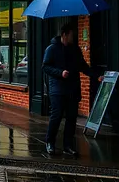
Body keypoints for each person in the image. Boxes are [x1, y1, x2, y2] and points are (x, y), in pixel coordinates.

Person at [42, 22, 103, 156]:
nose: (73, 38)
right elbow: (45, 67)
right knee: (56, 116)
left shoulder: (75, 50)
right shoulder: (52, 49)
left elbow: (83, 66)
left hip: (73, 89)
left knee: (71, 118)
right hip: (57, 89)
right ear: (64, 35)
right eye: (71, 35)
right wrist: (60, 73)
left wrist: (96, 76)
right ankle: (50, 143)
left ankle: (68, 146)